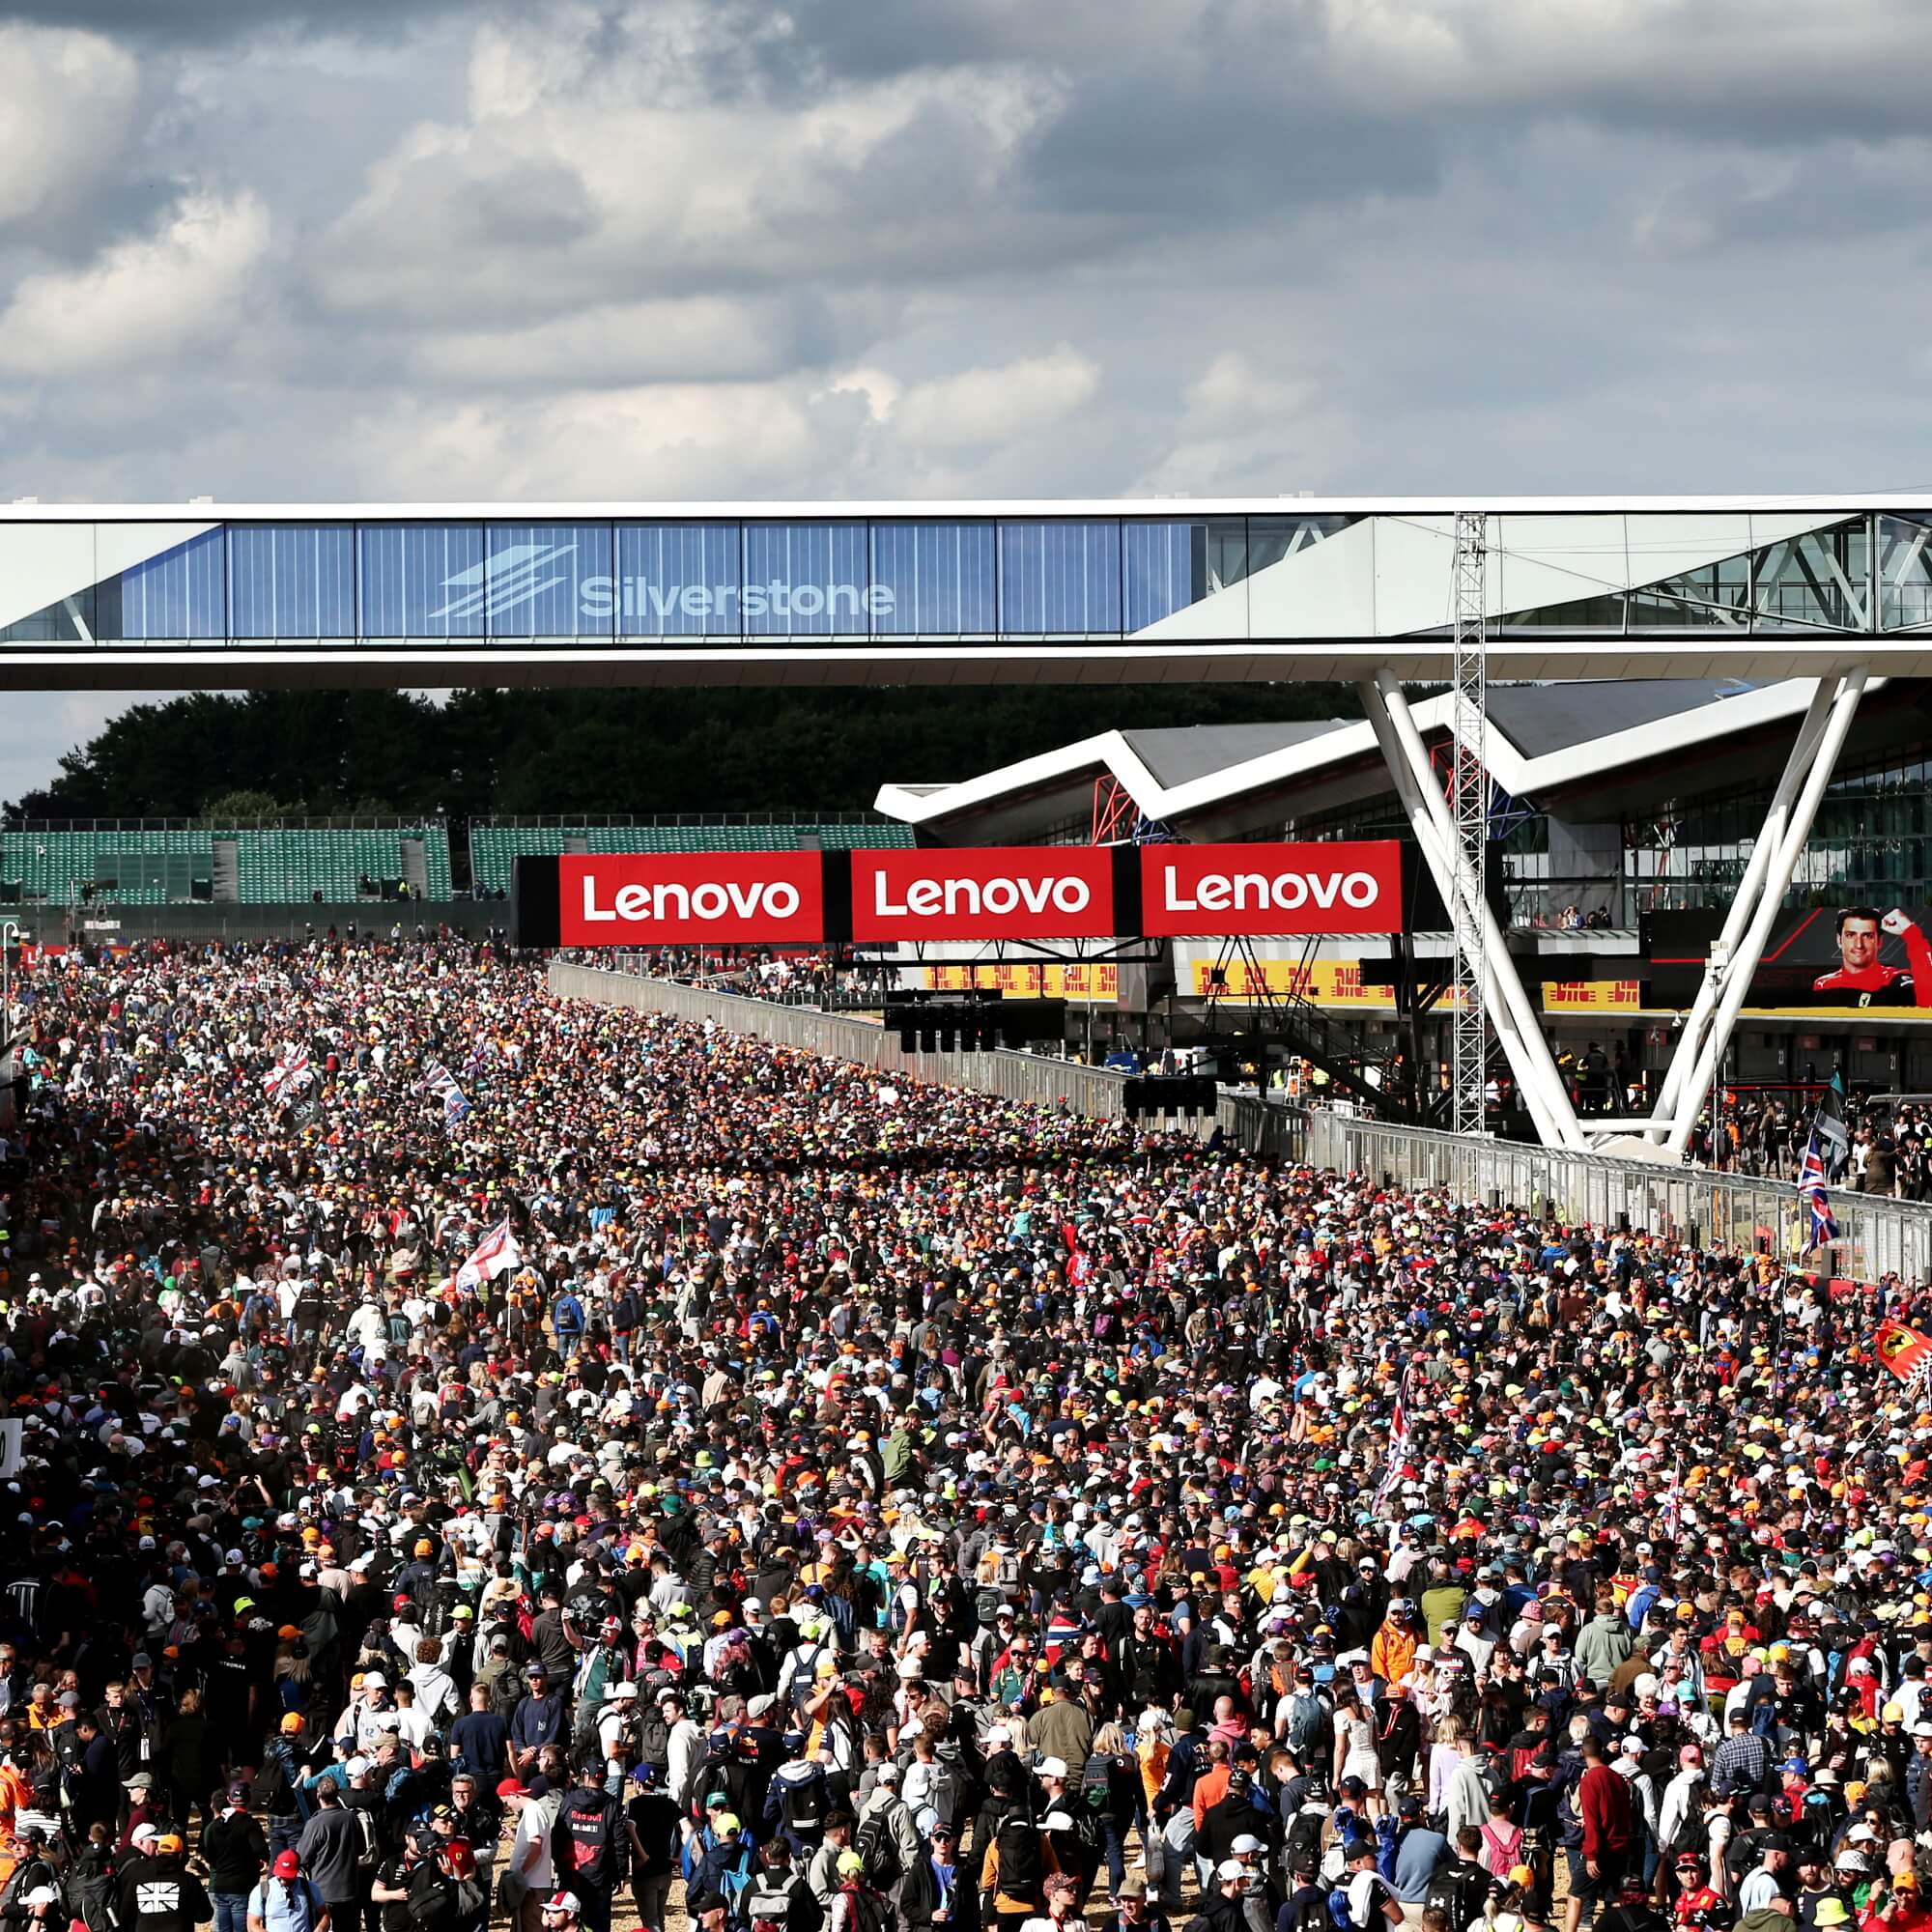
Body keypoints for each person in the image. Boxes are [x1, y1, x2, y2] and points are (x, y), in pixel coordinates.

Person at [1810, 906, 1932, 1008]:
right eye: (1850, 935)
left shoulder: (1894, 980)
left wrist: (1913, 936)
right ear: (1839, 940)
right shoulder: (1823, 984)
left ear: (1879, 941)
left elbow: (1928, 1002)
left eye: (1867, 936)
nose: (1859, 944)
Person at [205, 1786, 270, 1932]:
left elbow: (209, 1856)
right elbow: (261, 1850)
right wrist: (260, 1861)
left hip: (220, 1885)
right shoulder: (249, 1824)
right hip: (242, 1886)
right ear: (249, 1800)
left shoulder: (216, 1825)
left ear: (229, 1799)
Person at [245, 1852, 328, 1932]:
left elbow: (324, 1914)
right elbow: (252, 1925)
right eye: (281, 1873)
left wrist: (320, 1929)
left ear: (297, 1870)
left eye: (288, 1875)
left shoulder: (310, 1888)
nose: (283, 1879)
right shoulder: (261, 1891)